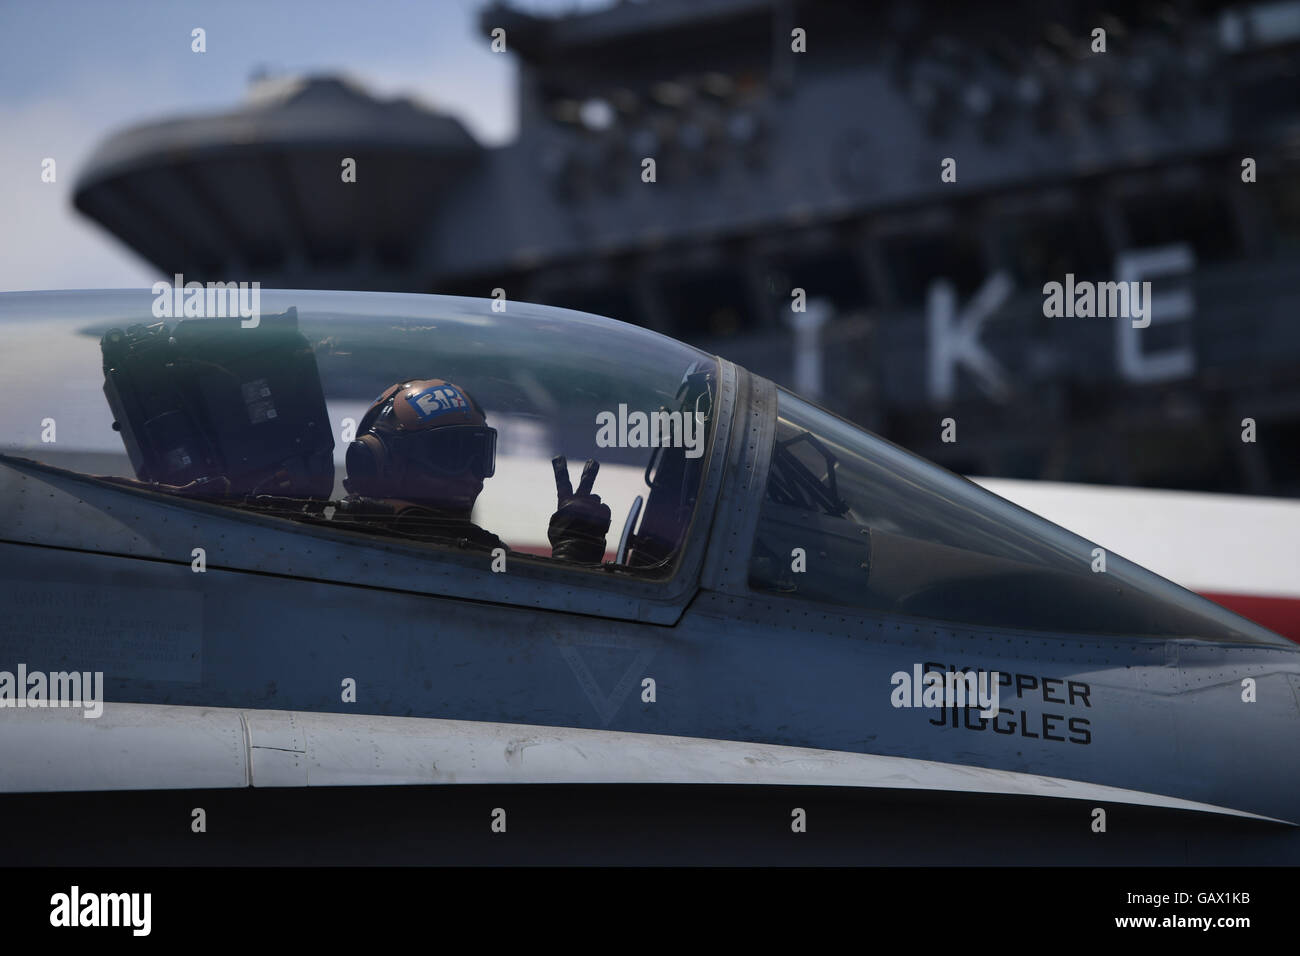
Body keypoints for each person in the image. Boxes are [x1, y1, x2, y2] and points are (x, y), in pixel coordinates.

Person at [334, 378, 611, 563]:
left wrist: (574, 555)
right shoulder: (342, 555)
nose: (470, 473)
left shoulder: (479, 557)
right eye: (450, 454)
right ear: (376, 461)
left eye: (477, 455)